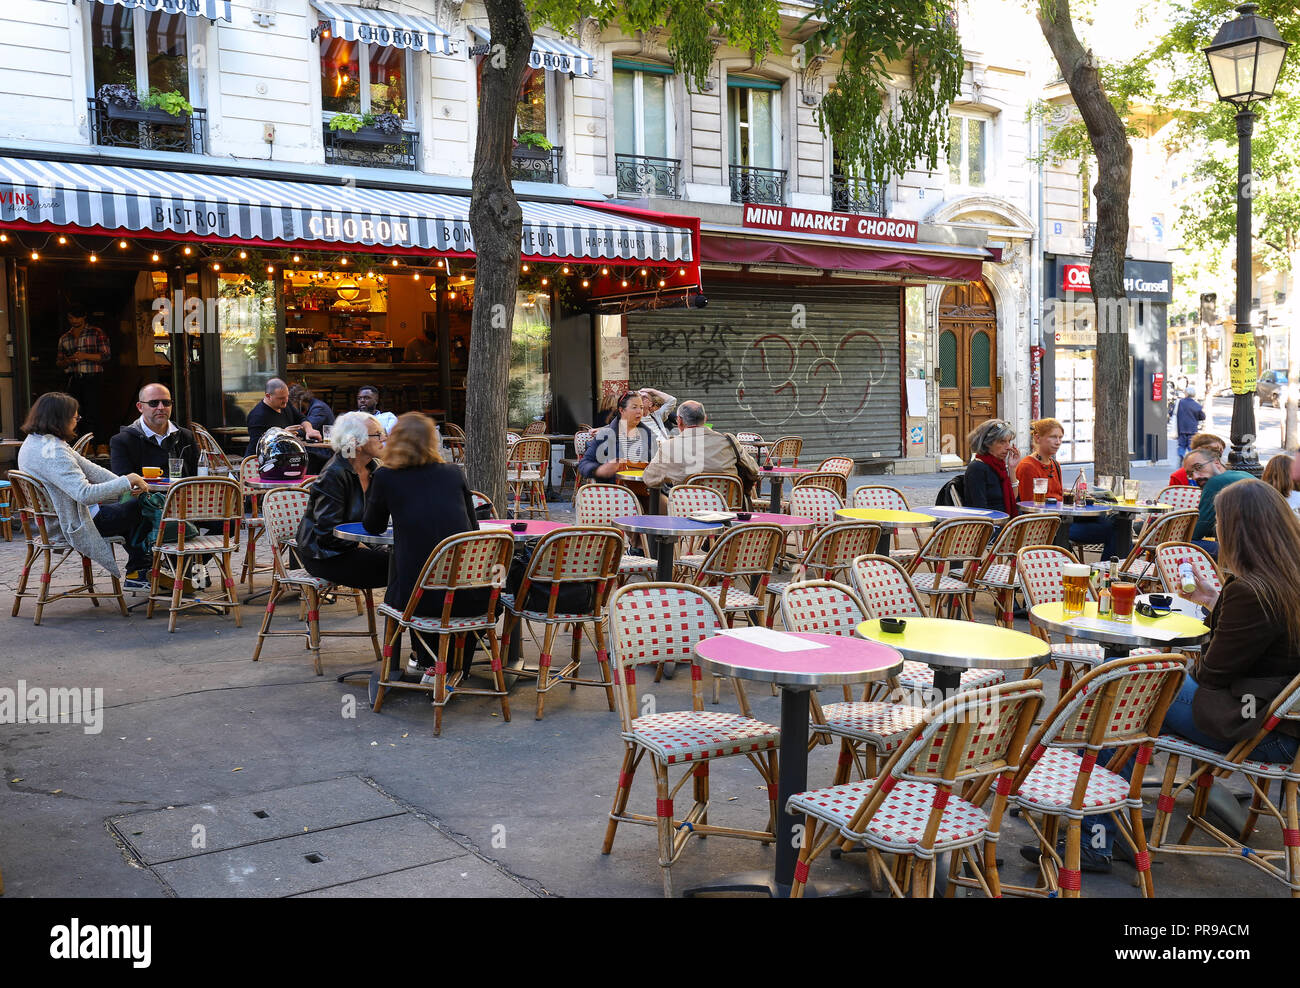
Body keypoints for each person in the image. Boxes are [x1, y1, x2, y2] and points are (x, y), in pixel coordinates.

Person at [1048, 480, 1300, 874]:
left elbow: (1212, 673)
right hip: (1282, 725)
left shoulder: (1252, 591)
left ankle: (1094, 834)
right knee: (1134, 687)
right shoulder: (1285, 581)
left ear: (1239, 530)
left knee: (1123, 691)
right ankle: (1109, 827)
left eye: (1219, 521)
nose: (1215, 529)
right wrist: (1216, 602)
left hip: (1259, 731)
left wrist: (1207, 636)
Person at [363, 413, 484, 677]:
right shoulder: (454, 473)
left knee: (404, 581)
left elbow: (373, 527)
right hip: (469, 594)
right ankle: (448, 664)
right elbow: (473, 530)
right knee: (436, 585)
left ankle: (430, 662)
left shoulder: (385, 477)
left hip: (417, 597)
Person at [16, 392, 150, 582]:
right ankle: (141, 570)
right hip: (71, 523)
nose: (76, 421)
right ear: (60, 419)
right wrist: (127, 481)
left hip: (58, 519)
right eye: (74, 417)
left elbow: (91, 469)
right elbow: (84, 494)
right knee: (142, 507)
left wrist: (127, 486)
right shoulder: (54, 452)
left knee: (132, 505)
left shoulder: (38, 441)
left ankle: (140, 569)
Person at [295, 412, 390, 592]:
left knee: (409, 558)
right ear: (356, 442)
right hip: (325, 555)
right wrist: (367, 548)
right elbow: (326, 533)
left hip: (355, 548)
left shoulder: (374, 469)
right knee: (402, 566)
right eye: (377, 434)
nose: (383, 438)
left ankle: (401, 614)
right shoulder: (334, 474)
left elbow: (376, 521)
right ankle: (403, 614)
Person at [1014, 417, 1121, 557]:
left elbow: (1058, 495)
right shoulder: (1028, 466)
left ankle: (1111, 570)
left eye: (1060, 438)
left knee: (1117, 522)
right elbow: (1031, 507)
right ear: (1038, 438)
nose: (1058, 442)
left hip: (1066, 519)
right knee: (1115, 531)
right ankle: (1110, 572)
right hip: (1050, 526)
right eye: (1053, 437)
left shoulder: (1054, 464)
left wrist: (1078, 498)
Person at [642, 400, 757, 488]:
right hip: (727, 511)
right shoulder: (729, 441)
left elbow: (649, 479)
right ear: (705, 419)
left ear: (679, 421)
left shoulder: (668, 447)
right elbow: (755, 470)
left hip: (685, 512)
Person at [109, 383, 199, 479]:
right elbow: (123, 483)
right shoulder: (122, 441)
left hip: (182, 493)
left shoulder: (186, 436)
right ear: (140, 407)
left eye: (166, 402)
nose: (161, 407)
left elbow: (197, 476)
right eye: (153, 403)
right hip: (145, 494)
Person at [55, 305, 111, 448]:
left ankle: (99, 445)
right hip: (74, 377)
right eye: (71, 317)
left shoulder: (96, 332)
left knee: (94, 411)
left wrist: (84, 356)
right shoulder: (65, 337)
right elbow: (59, 362)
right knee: (75, 413)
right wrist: (68, 361)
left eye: (77, 317)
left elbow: (106, 355)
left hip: (93, 377)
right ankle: (82, 447)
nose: (74, 320)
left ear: (84, 316)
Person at [1185, 448, 1253, 558]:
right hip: (1265, 548)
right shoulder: (1243, 474)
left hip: (1245, 553)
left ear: (1216, 462)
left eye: (1198, 467)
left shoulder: (1215, 482)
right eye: (1190, 474)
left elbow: (1197, 532)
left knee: (1179, 545)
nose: (1195, 477)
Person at [577, 390, 658, 482]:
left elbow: (657, 466)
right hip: (614, 490)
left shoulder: (649, 436)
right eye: (634, 407)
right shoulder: (605, 435)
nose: (639, 411)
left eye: (641, 407)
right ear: (621, 410)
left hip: (643, 489)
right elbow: (584, 464)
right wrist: (600, 470)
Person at [245, 378, 321, 456]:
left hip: (284, 457)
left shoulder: (285, 405)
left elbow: (301, 418)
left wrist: (309, 430)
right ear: (268, 396)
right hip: (258, 461)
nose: (286, 400)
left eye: (287, 396)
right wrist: (282, 434)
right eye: (281, 398)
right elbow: (259, 446)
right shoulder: (257, 415)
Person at [962, 419, 1020, 517]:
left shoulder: (999, 466)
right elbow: (980, 509)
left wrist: (1012, 469)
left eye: (1009, 441)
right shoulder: (977, 468)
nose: (1008, 447)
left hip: (1006, 521)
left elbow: (1013, 499)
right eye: (1002, 442)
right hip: (991, 525)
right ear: (987, 443)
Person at [1175, 386, 1206, 461]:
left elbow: (1175, 414)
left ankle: (1181, 455)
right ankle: (1191, 459)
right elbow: (1203, 416)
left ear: (1186, 393)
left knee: (1181, 445)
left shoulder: (1181, 402)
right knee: (1191, 446)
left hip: (1182, 428)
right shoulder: (1197, 405)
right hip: (1192, 429)